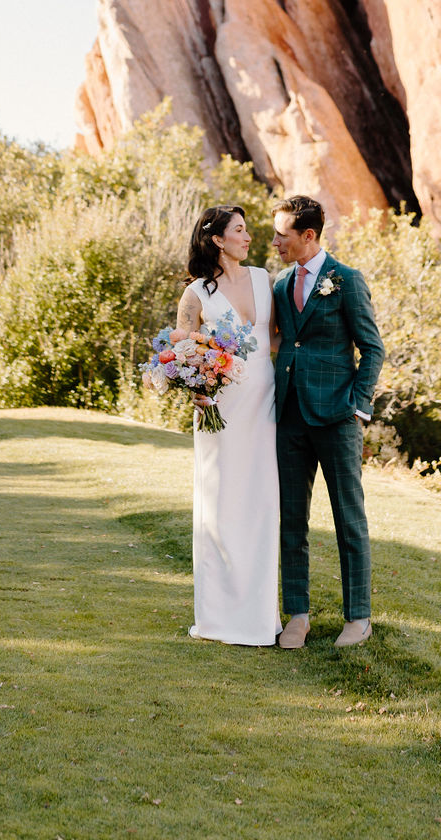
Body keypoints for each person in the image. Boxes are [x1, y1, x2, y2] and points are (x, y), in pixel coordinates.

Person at [272, 194, 385, 648]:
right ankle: (297, 615)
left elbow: (372, 348)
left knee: (348, 519)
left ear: (309, 235)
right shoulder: (280, 284)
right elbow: (279, 343)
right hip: (289, 418)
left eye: (283, 234)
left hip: (337, 417)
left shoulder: (348, 281)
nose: (275, 241)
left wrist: (358, 406)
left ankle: (358, 618)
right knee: (291, 519)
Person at [176, 204, 281, 646]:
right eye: (239, 230)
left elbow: (276, 337)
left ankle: (260, 618)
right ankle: (218, 618)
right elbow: (180, 351)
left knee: (260, 502)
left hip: (264, 400)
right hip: (219, 407)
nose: (248, 236)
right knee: (221, 503)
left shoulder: (263, 279)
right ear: (217, 239)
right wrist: (197, 385)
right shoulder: (195, 294)